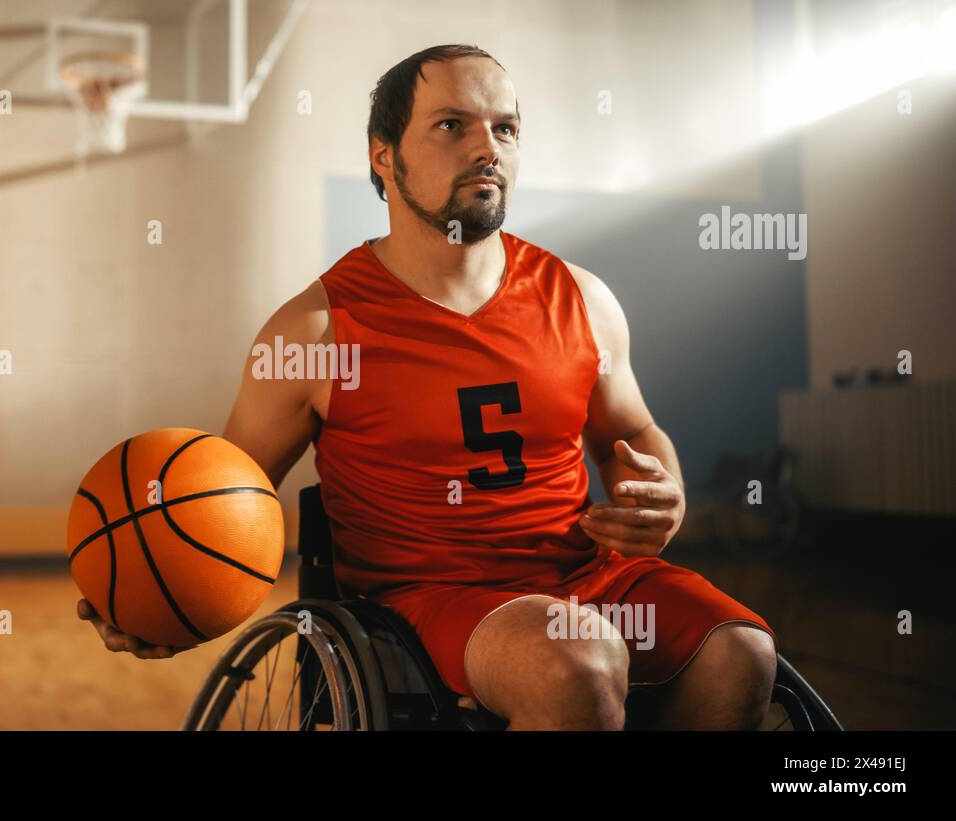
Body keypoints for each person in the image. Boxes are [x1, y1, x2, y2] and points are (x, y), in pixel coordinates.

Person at [80, 43, 776, 730]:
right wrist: (162, 598)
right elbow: (224, 507)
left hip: (583, 576)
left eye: (505, 127)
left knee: (742, 652)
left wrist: (665, 493)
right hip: (423, 600)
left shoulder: (582, 299)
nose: (487, 147)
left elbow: (632, 433)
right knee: (577, 660)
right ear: (384, 155)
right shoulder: (315, 333)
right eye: (453, 125)